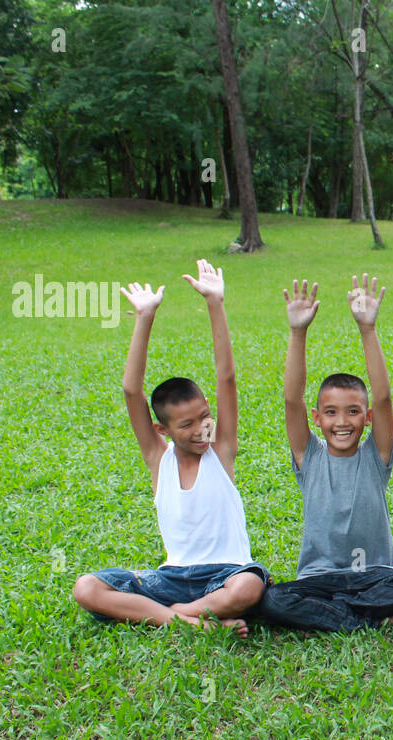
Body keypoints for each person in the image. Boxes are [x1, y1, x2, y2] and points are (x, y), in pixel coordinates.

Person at [72, 260, 268, 635]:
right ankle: (195, 623)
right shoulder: (157, 457)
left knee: (251, 586)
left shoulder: (220, 449)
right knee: (86, 587)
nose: (201, 429)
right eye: (187, 424)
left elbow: (226, 376)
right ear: (162, 428)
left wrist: (215, 303)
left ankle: (178, 614)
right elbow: (132, 391)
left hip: (226, 576)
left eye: (204, 416)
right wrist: (144, 317)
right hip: (171, 577)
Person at [258, 275, 393, 632]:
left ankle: (341, 617)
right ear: (317, 418)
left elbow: (383, 398)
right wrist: (297, 333)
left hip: (376, 577)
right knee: (271, 599)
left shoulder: (376, 455)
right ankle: (370, 619)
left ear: (367, 417)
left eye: (353, 411)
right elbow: (292, 399)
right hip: (319, 579)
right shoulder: (309, 457)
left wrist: (367, 328)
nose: (342, 422)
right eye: (332, 412)